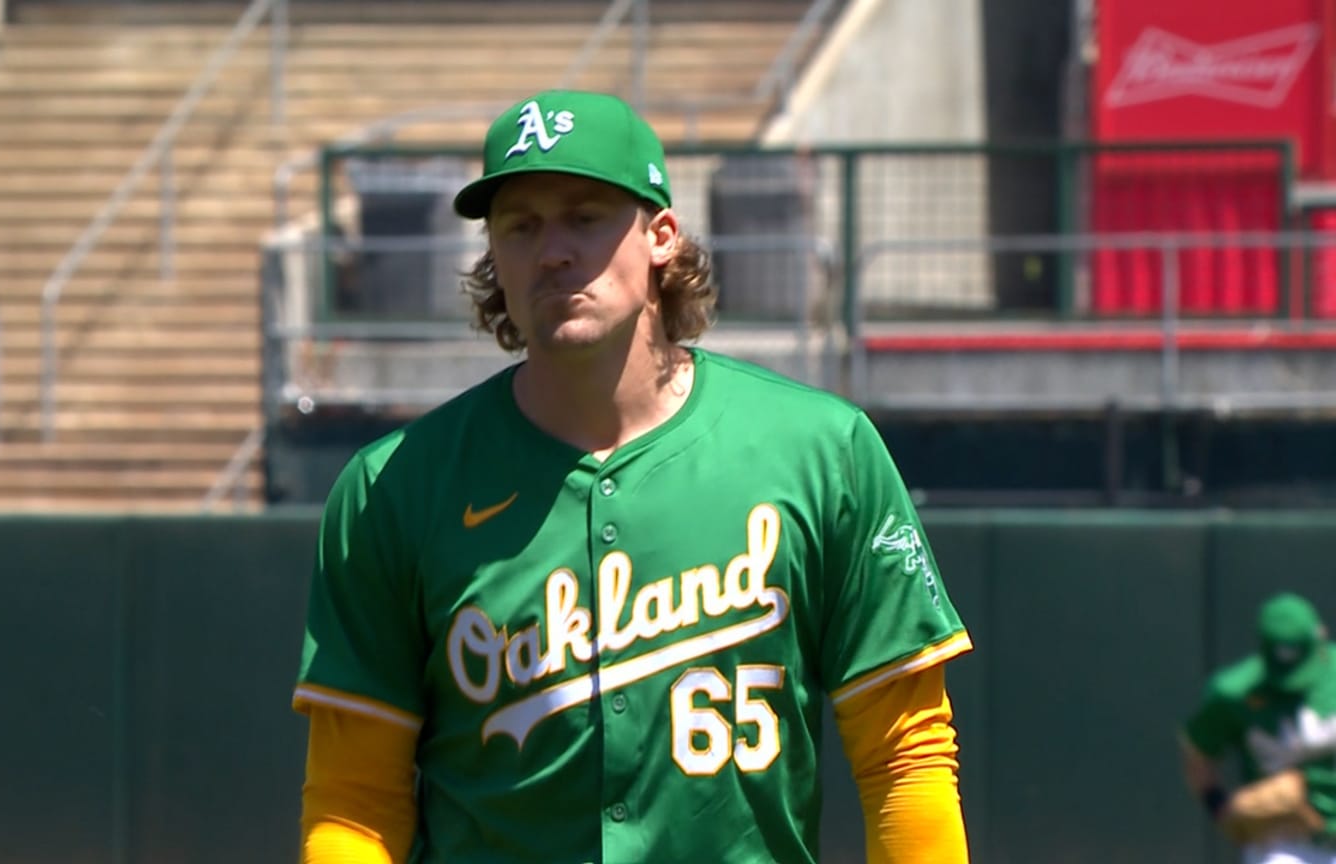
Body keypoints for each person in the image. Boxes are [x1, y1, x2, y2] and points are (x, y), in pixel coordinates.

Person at [293, 88, 973, 864]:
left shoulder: (825, 452)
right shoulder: (392, 488)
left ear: (662, 238)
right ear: (495, 258)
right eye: (521, 225)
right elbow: (355, 802)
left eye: (584, 216)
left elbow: (904, 760)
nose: (553, 250)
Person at [1181, 592, 1336, 864]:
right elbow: (1198, 754)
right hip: (1284, 843)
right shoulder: (1234, 692)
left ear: (1321, 634)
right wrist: (1219, 806)